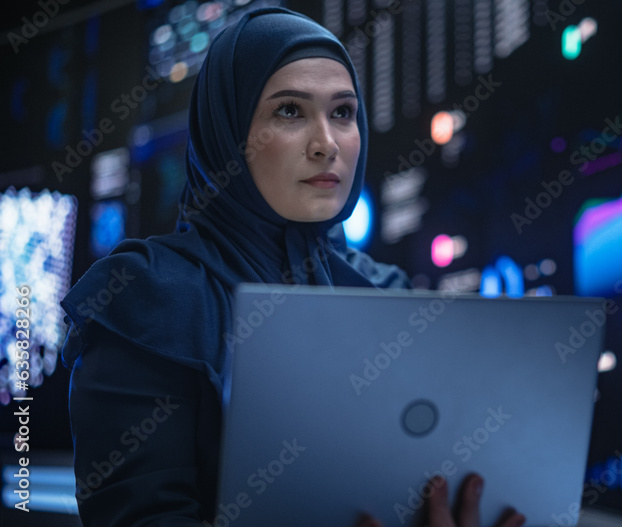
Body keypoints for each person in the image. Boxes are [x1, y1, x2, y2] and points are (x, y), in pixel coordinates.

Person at [60, 7, 525, 527]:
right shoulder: (147, 296)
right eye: (289, 112)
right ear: (229, 133)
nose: (326, 142)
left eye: (344, 112)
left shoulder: (387, 293)